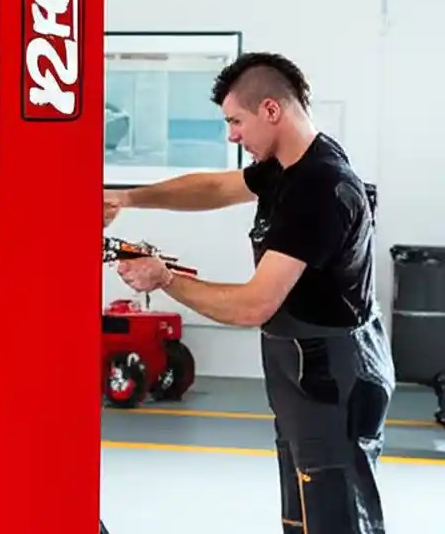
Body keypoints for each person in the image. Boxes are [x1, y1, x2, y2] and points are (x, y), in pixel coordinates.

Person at [104, 52, 394, 533]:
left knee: (337, 519)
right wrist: (129, 198)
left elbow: (253, 305)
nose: (232, 135)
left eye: (236, 121)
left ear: (271, 110)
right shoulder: (288, 165)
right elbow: (217, 188)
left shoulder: (320, 187)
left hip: (332, 379)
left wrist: (165, 279)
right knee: (304, 517)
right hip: (304, 374)